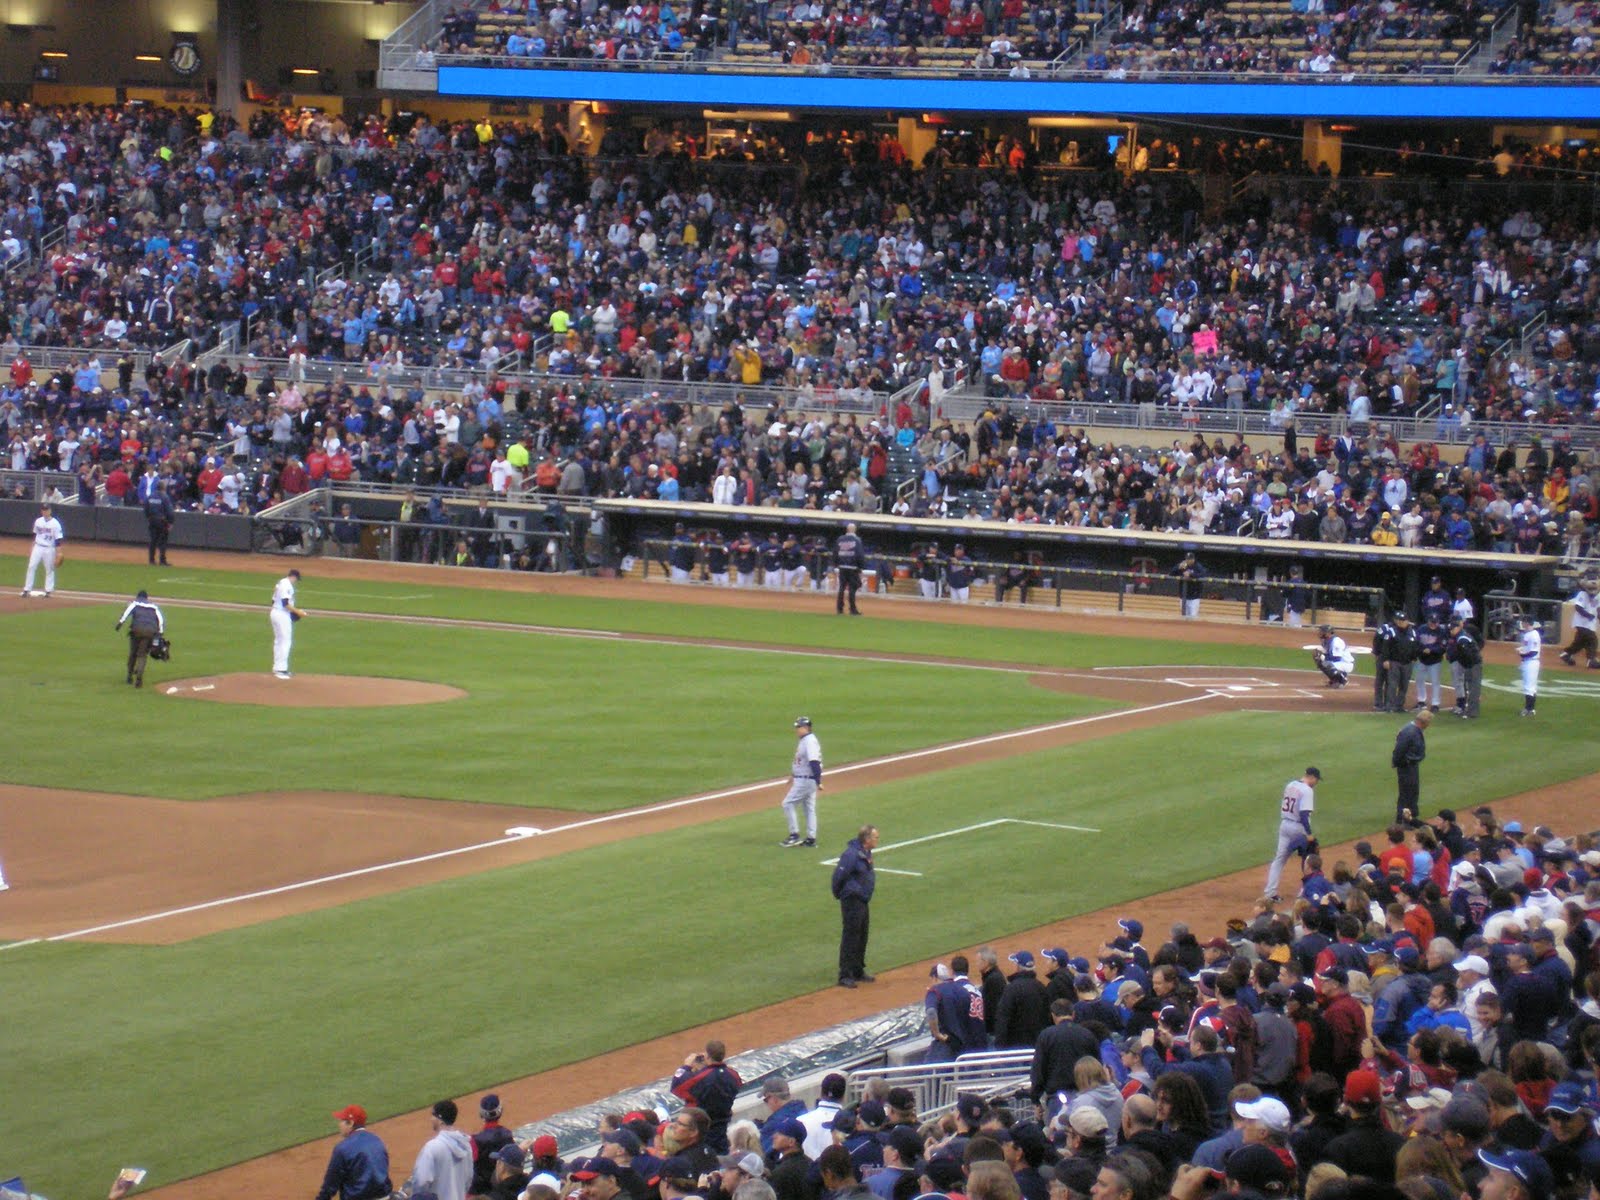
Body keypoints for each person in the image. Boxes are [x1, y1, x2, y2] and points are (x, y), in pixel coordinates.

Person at [831, 824, 877, 989]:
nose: (877, 840)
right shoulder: (851, 855)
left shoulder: (865, 852)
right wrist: (842, 893)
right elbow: (839, 876)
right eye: (875, 837)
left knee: (862, 934)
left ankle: (857, 970)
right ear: (866, 839)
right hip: (852, 900)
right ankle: (845, 974)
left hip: (863, 899)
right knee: (851, 936)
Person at [1265, 767, 1321, 901]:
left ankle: (1270, 893)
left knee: (1279, 859)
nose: (1316, 783)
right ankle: (1305, 891)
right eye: (1317, 780)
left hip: (1284, 824)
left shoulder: (1291, 785)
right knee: (1310, 858)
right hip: (1298, 827)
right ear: (1312, 777)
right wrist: (1309, 834)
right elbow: (1303, 814)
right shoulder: (1307, 790)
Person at [315, 1104, 392, 1200]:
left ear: (351, 1123)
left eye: (342, 1121)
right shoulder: (377, 1141)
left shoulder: (342, 1148)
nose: (339, 1124)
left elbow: (331, 1184)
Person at [407, 1098, 473, 1200]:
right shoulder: (466, 1145)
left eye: (433, 1115)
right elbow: (469, 1179)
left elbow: (421, 1181)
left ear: (440, 1120)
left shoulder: (432, 1147)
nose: (431, 1119)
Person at [780, 717, 822, 849]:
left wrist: (818, 781)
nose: (797, 730)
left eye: (799, 727)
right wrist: (793, 775)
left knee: (787, 803)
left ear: (806, 727)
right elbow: (802, 762)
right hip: (803, 778)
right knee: (809, 809)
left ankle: (794, 835)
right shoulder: (805, 740)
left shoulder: (810, 741)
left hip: (806, 780)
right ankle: (811, 839)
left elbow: (814, 762)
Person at [114, 589, 166, 688]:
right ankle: (139, 677)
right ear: (147, 598)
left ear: (138, 597)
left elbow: (126, 613)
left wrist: (119, 624)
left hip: (136, 630)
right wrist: (160, 633)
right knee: (142, 655)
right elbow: (160, 620)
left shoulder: (135, 604)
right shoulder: (154, 607)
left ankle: (129, 676)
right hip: (150, 632)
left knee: (133, 653)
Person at [1392, 709, 1431, 824]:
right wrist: (1400, 762)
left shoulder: (1413, 729)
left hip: (1411, 765)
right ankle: (1402, 819)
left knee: (1412, 791)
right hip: (1406, 766)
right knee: (1406, 793)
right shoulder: (1410, 731)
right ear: (1423, 722)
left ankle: (1411, 817)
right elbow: (1399, 750)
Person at [271, 568, 307, 679]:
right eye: (296, 579)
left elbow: (273, 600)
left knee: (278, 641)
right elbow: (285, 603)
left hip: (274, 612)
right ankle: (281, 670)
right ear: (293, 577)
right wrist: (298, 612)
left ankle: (277, 668)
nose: (295, 581)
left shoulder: (280, 583)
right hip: (282, 614)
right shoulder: (287, 585)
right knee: (285, 641)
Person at [22, 501, 63, 597]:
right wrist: (32, 547)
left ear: (50, 511)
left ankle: (48, 591)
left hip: (49, 548)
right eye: (44, 510)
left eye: (47, 510)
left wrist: (59, 552)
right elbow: (35, 535)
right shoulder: (38, 521)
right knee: (31, 566)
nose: (45, 512)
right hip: (38, 547)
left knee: (49, 569)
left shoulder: (55, 524)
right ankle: (27, 589)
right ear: (41, 511)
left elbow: (58, 540)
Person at [1558, 576, 1599, 668]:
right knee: (1592, 640)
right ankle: (1591, 660)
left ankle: (1566, 654)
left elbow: (1598, 609)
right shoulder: (1582, 594)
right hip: (1581, 622)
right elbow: (1578, 607)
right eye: (1590, 589)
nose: (1592, 591)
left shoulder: (1598, 596)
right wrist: (1588, 615)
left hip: (1590, 624)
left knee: (1581, 642)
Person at [1447, 617, 1483, 719]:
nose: (1451, 631)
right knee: (1471, 688)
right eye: (1450, 629)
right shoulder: (1461, 636)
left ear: (1458, 628)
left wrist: (1467, 665)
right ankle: (1470, 711)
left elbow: (1467, 654)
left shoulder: (1462, 638)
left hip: (1473, 665)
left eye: (1453, 629)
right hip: (1471, 665)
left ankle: (1472, 713)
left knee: (1474, 689)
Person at [143, 472, 175, 566]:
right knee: (163, 541)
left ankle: (151, 560)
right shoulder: (165, 497)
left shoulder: (151, 496)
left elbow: (146, 509)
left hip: (152, 520)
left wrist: (148, 518)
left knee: (153, 540)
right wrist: (170, 522)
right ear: (164, 488)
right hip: (162, 521)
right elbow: (169, 511)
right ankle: (162, 560)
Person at [834, 522, 865, 615]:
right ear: (854, 530)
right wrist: (861, 567)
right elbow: (860, 554)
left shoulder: (840, 539)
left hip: (842, 567)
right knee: (852, 588)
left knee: (841, 588)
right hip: (853, 567)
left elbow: (835, 552)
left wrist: (836, 564)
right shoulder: (857, 540)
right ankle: (852, 609)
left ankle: (839, 608)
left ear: (847, 530)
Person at [1516, 615, 1541, 717]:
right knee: (1530, 686)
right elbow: (1527, 648)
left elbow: (1534, 652)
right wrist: (1521, 650)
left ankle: (1529, 709)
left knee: (1529, 687)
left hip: (1531, 662)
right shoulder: (1528, 634)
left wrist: (1521, 654)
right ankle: (1530, 709)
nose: (1522, 623)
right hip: (1527, 661)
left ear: (1527, 623)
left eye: (1523, 621)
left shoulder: (1534, 635)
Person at [1172, 553, 1204, 619]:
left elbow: (1203, 574)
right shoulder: (1183, 565)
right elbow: (1171, 573)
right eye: (1187, 559)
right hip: (1183, 597)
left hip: (1194, 597)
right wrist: (1178, 568)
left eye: (1190, 559)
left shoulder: (1197, 566)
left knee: (1193, 617)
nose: (1188, 560)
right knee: (1184, 617)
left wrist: (1191, 574)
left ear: (1193, 559)